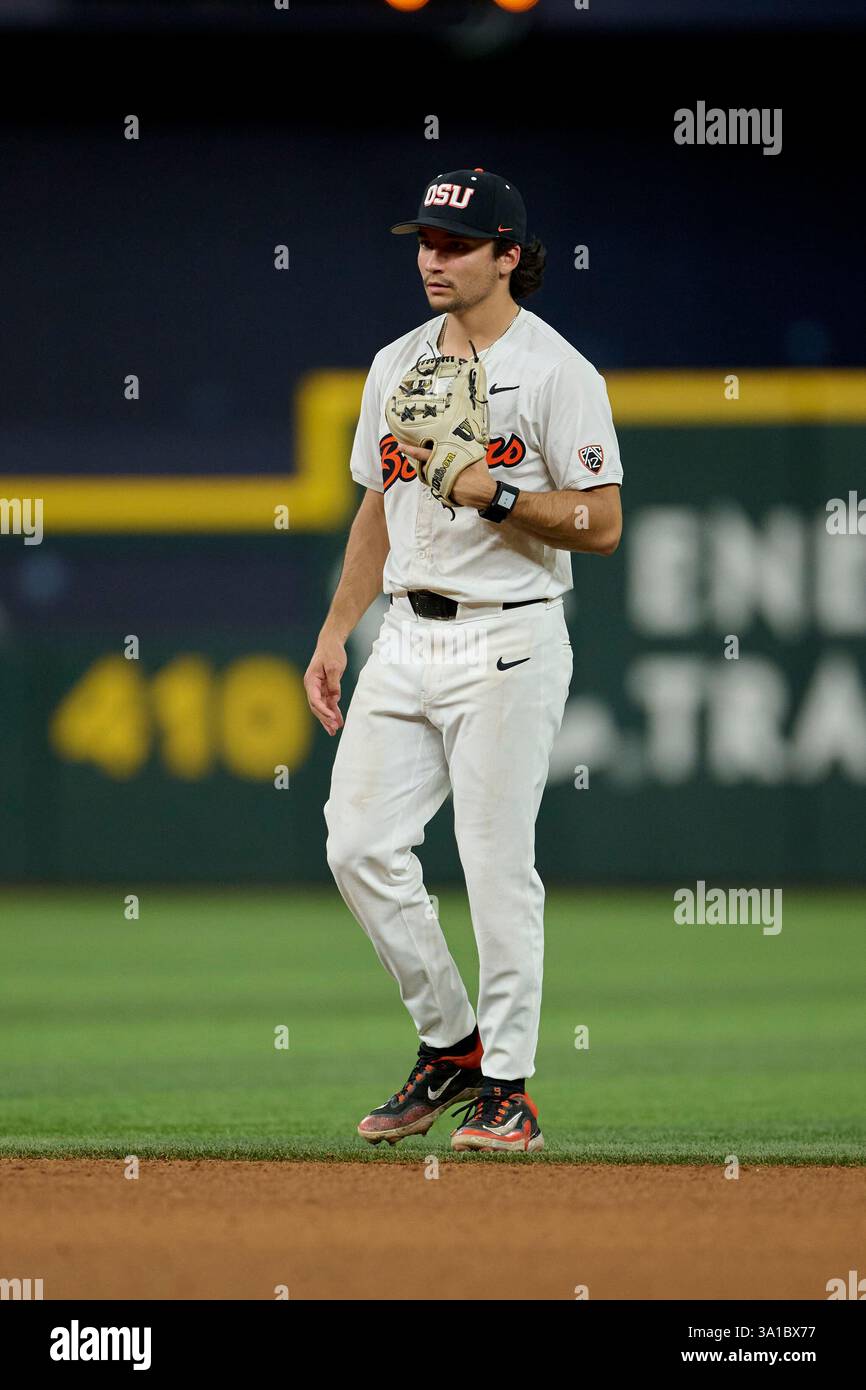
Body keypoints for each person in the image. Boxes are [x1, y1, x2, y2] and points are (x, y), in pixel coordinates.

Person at [304, 168, 623, 1153]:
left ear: (508, 256)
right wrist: (333, 630)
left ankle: (510, 1089)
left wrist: (492, 496)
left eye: (455, 242)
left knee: (494, 866)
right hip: (404, 633)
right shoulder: (393, 365)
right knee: (354, 845)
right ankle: (449, 1043)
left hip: (509, 632)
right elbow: (376, 506)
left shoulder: (558, 373)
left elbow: (602, 523)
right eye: (424, 240)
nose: (432, 257)